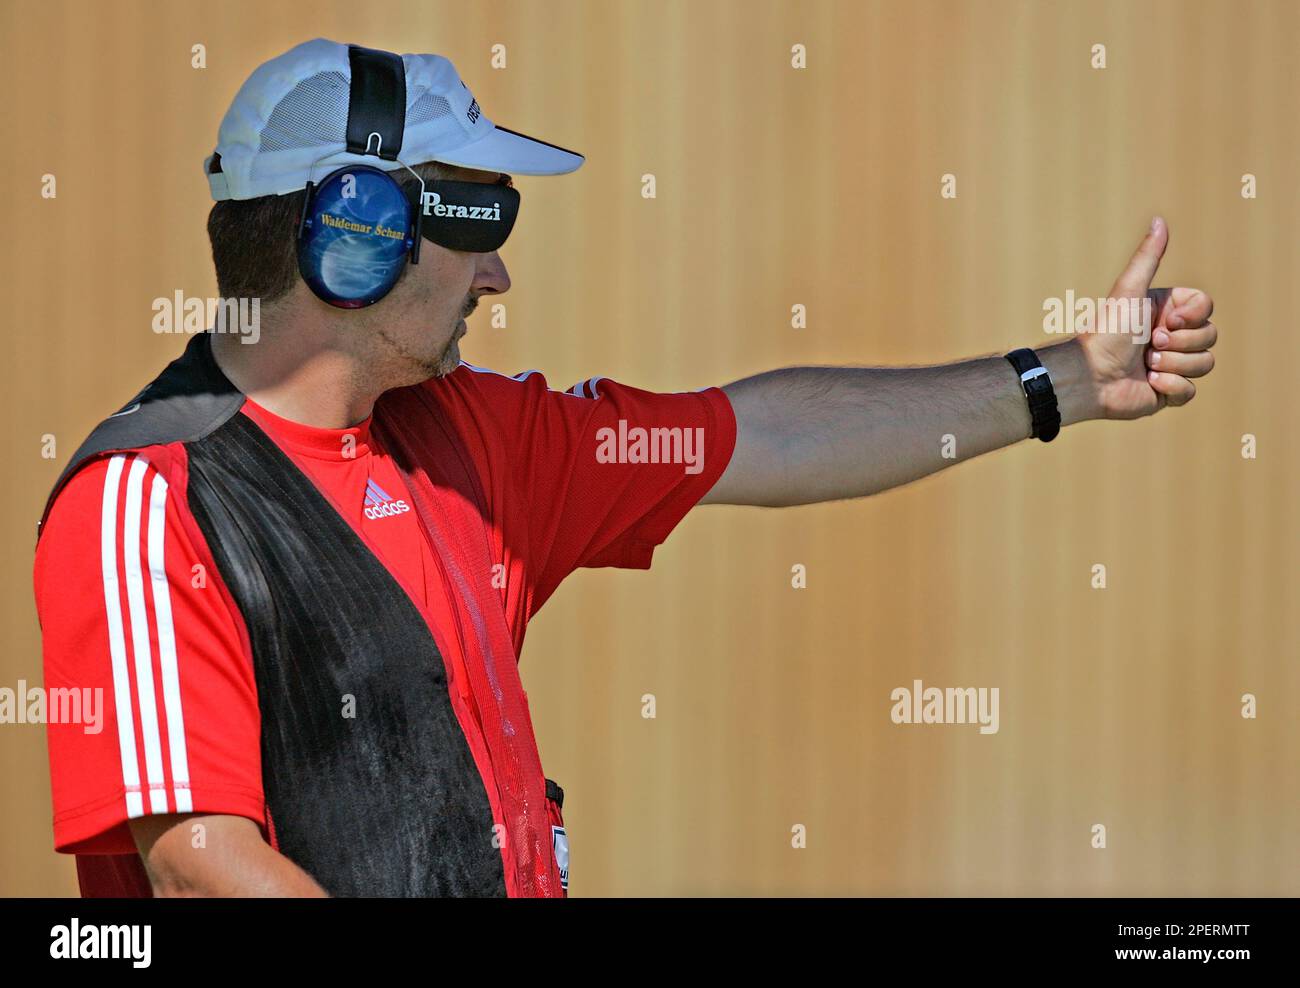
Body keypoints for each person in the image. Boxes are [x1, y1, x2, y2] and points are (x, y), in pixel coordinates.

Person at [34, 39, 1217, 898]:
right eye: (480, 221)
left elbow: (764, 434)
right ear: (358, 236)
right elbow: (201, 869)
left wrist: (1063, 380)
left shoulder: (471, 438)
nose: (496, 278)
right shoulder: (150, 497)